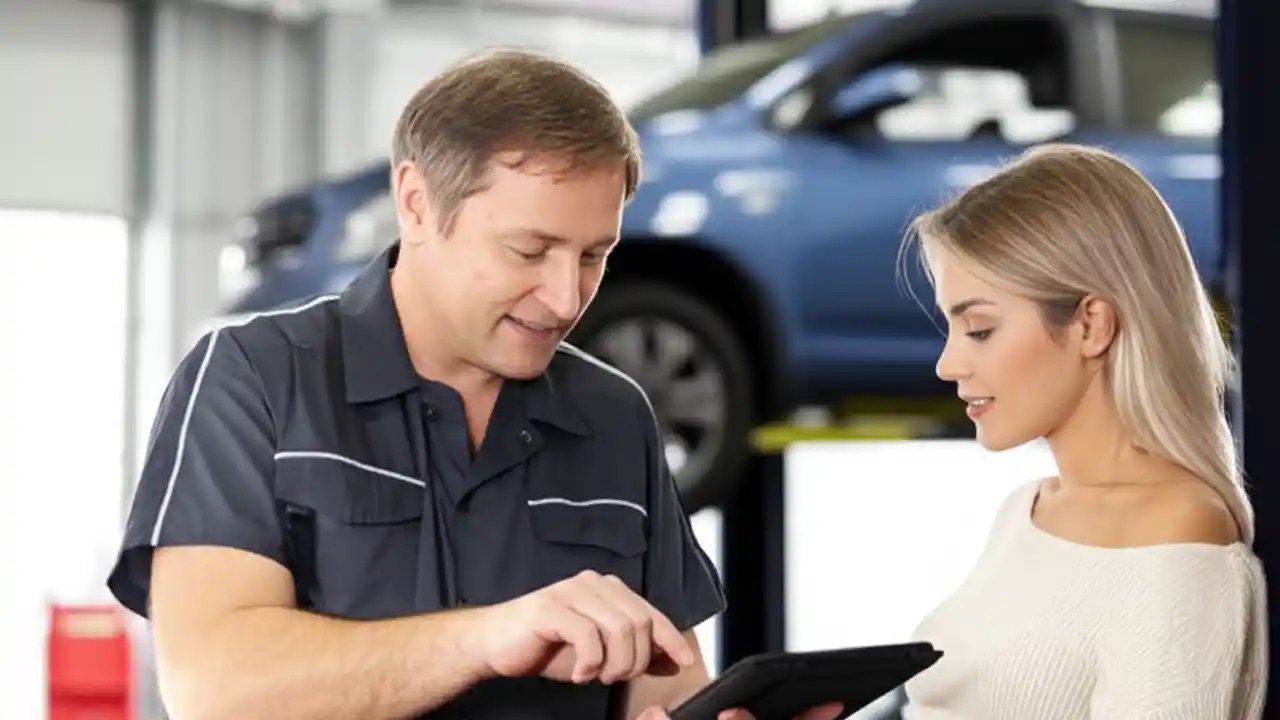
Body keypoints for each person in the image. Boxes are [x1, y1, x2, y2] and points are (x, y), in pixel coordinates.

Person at [107, 49, 844, 720]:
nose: (565, 297)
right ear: (418, 202)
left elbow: (662, 684)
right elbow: (217, 690)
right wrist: (489, 637)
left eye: (595, 254)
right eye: (530, 250)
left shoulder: (616, 415)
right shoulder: (255, 380)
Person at [897, 143, 1268, 719]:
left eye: (979, 329)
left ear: (1091, 324)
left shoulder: (1176, 529)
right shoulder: (1026, 511)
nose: (948, 364)